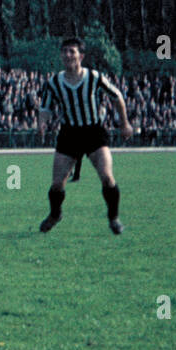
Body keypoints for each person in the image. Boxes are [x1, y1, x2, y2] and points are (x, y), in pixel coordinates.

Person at [37, 38, 132, 234]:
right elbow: (45, 107)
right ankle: (55, 214)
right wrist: (41, 122)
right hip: (69, 134)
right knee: (57, 184)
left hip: (93, 132)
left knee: (107, 177)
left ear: (81, 56)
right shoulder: (54, 82)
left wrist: (125, 123)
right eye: (64, 51)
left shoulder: (94, 77)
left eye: (72, 51)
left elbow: (117, 97)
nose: (67, 55)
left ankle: (113, 218)